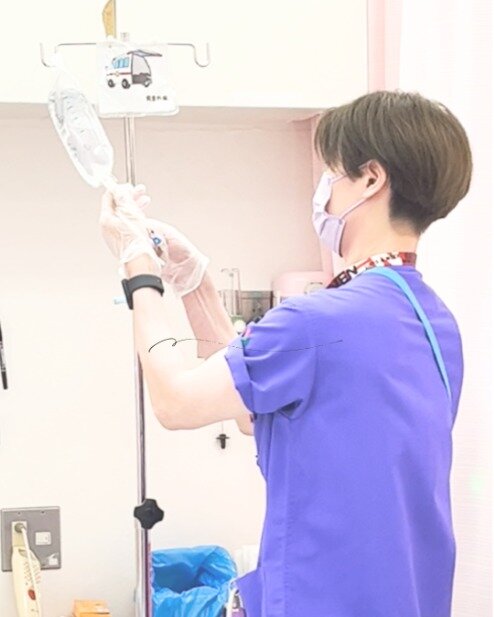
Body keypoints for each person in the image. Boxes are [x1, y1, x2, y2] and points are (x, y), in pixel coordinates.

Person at [99, 90, 472, 617]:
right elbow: (251, 409)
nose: (325, 191)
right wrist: (195, 283)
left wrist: (139, 270)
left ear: (371, 178)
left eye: (333, 173)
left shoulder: (320, 321)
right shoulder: (434, 325)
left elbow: (176, 400)